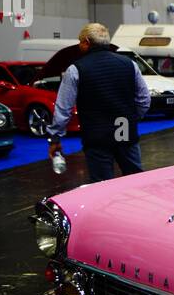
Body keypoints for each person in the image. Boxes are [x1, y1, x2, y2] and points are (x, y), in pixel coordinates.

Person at [47, 23, 150, 182]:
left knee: (102, 186)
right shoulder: (129, 64)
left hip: (97, 138)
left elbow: (63, 110)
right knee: (135, 181)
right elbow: (144, 100)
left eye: (80, 41)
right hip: (126, 133)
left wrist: (55, 138)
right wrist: (131, 119)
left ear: (86, 42)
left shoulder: (76, 69)